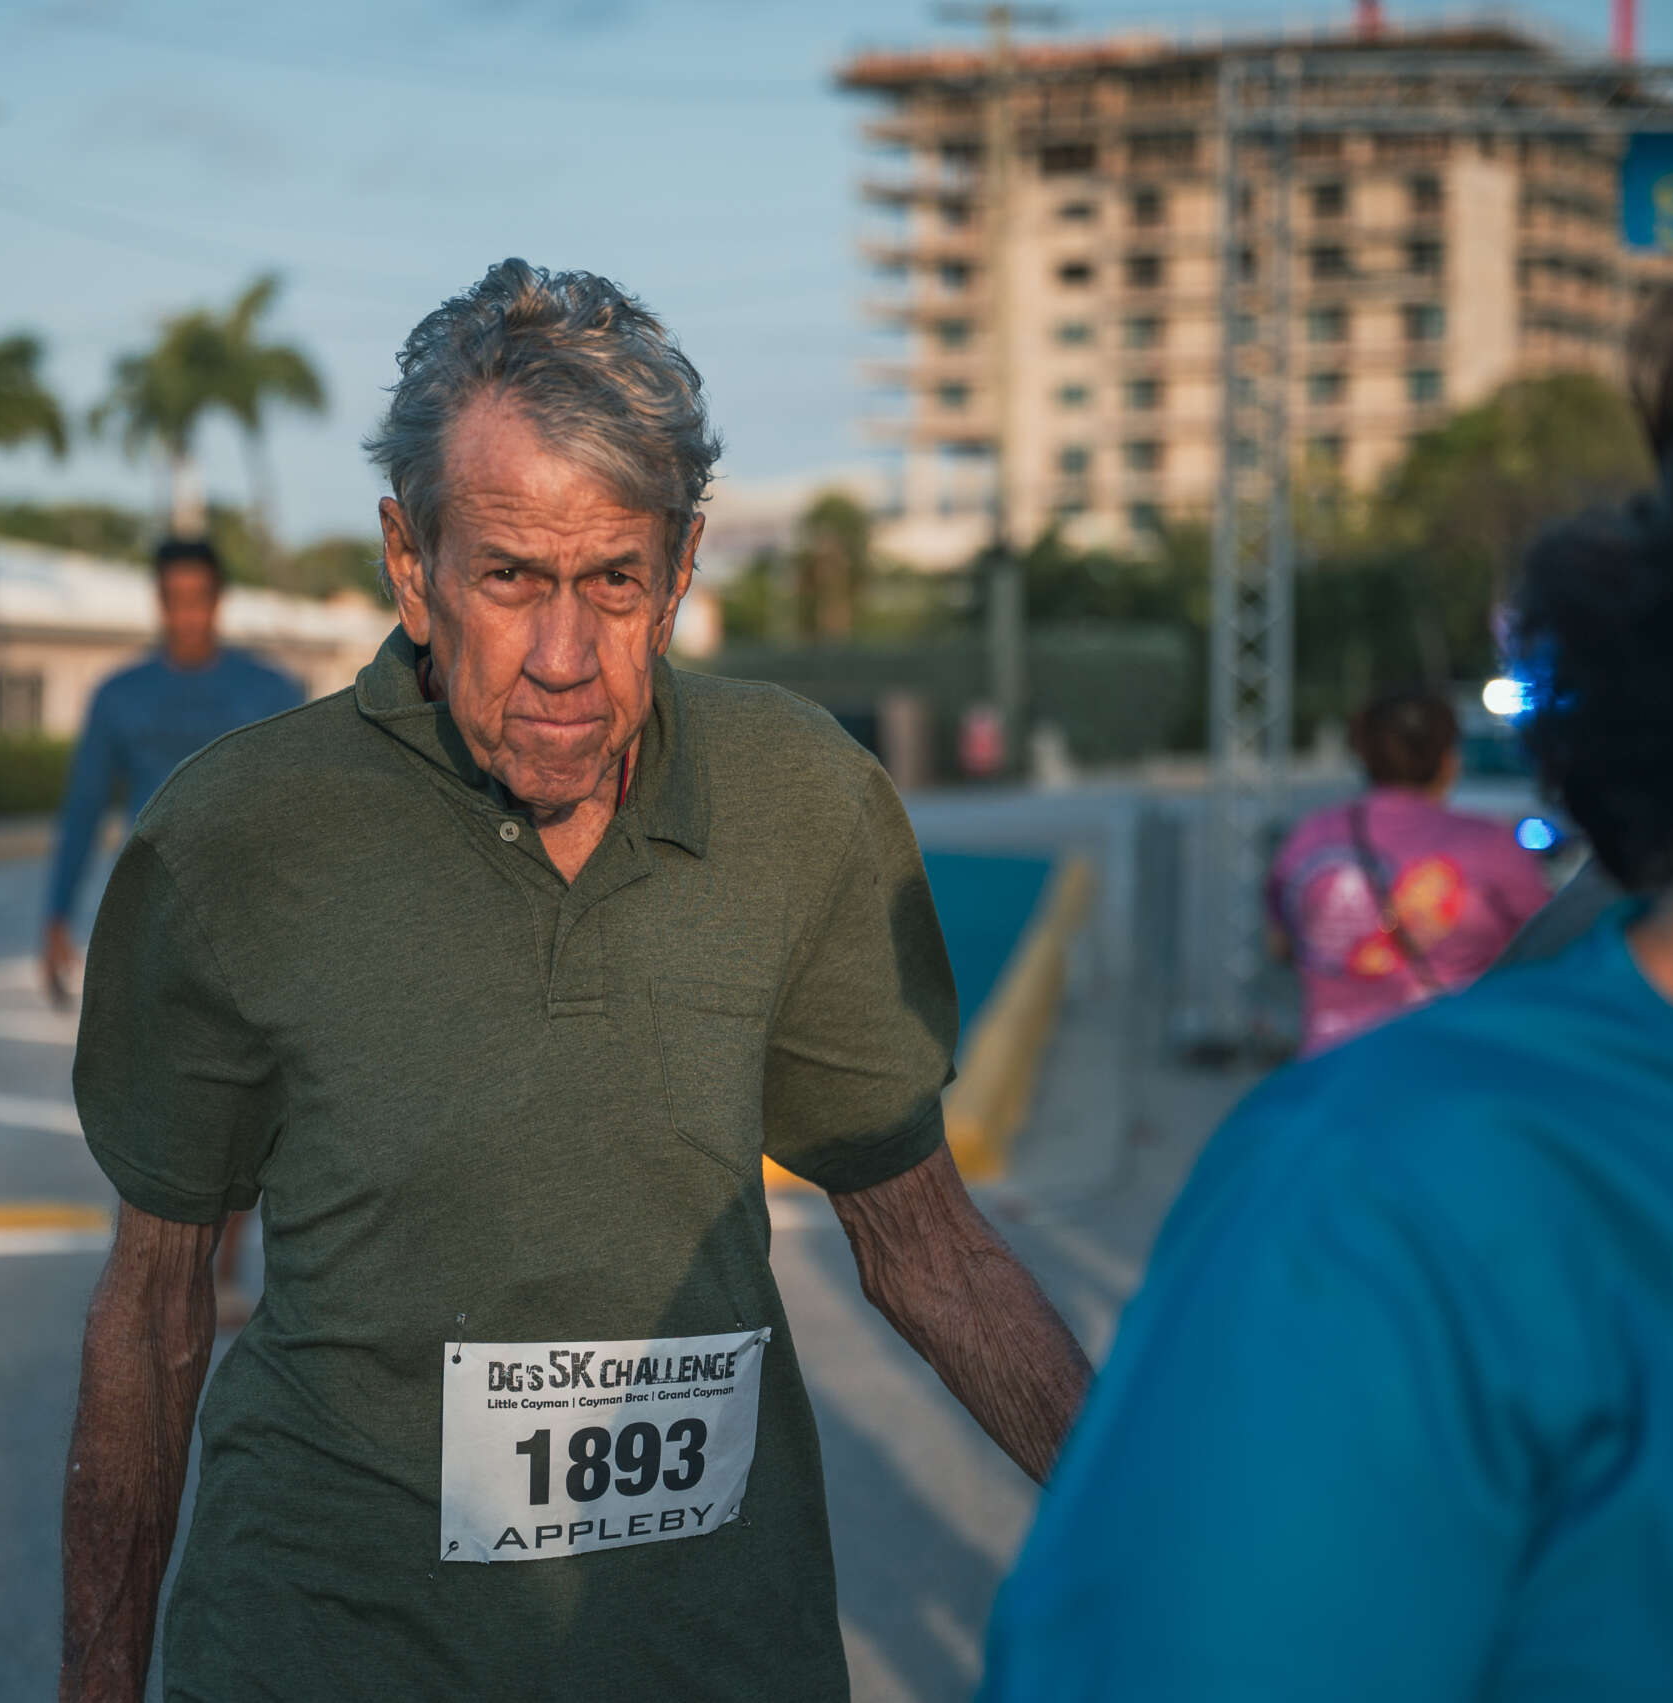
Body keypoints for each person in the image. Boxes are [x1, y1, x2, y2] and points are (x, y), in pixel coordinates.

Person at [59, 260, 1092, 1703]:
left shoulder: (804, 802)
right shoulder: (238, 837)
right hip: (319, 1655)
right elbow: (155, 1306)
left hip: (718, 1656)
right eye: (510, 577)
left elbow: (927, 1242)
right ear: (411, 567)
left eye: (615, 580)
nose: (566, 658)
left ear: (680, 568)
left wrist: (1158, 1520)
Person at [979, 220, 1673, 1698]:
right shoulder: (1403, 1208)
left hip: (1346, 1061)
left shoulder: (1314, 855)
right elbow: (1546, 944)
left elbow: (1277, 944)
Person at [39, 535, 301, 1009]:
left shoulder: (271, 693)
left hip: (251, 924)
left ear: (219, 600)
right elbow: (84, 808)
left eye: (198, 599)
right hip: (149, 919)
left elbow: (303, 818)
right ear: (158, 602)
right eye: (172, 600)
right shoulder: (119, 696)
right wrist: (57, 917)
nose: (186, 616)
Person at [1266, 686, 1550, 1053]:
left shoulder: (1308, 839)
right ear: (1450, 761)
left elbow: (1281, 945)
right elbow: (1548, 949)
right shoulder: (1490, 845)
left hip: (1332, 1073)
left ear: (1363, 755)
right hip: (1450, 1070)